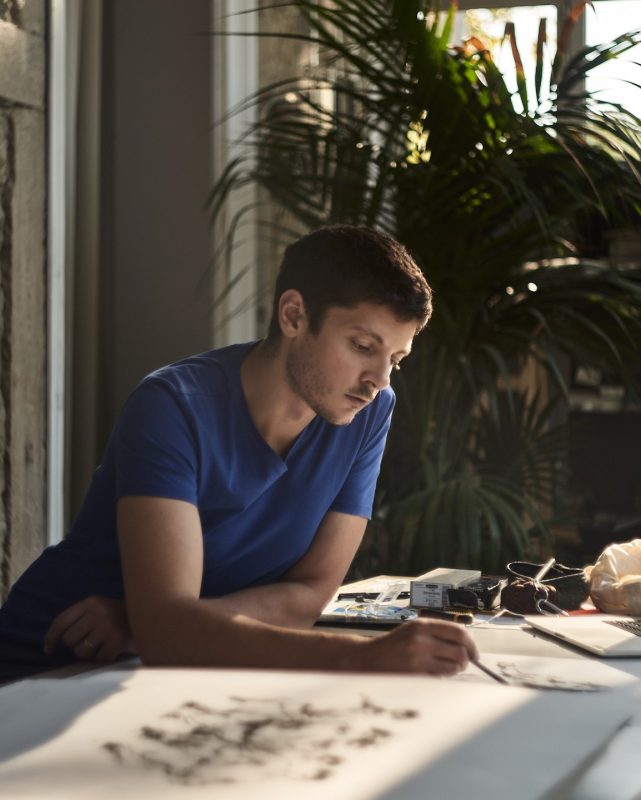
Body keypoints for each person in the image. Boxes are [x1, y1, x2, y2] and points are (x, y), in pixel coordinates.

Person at [0, 225, 478, 683]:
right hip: (47, 665)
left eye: (395, 359)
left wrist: (153, 625)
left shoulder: (367, 412)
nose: (379, 379)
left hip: (161, 665)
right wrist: (362, 655)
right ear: (293, 316)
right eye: (361, 346)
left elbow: (310, 593)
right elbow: (167, 634)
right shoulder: (173, 405)